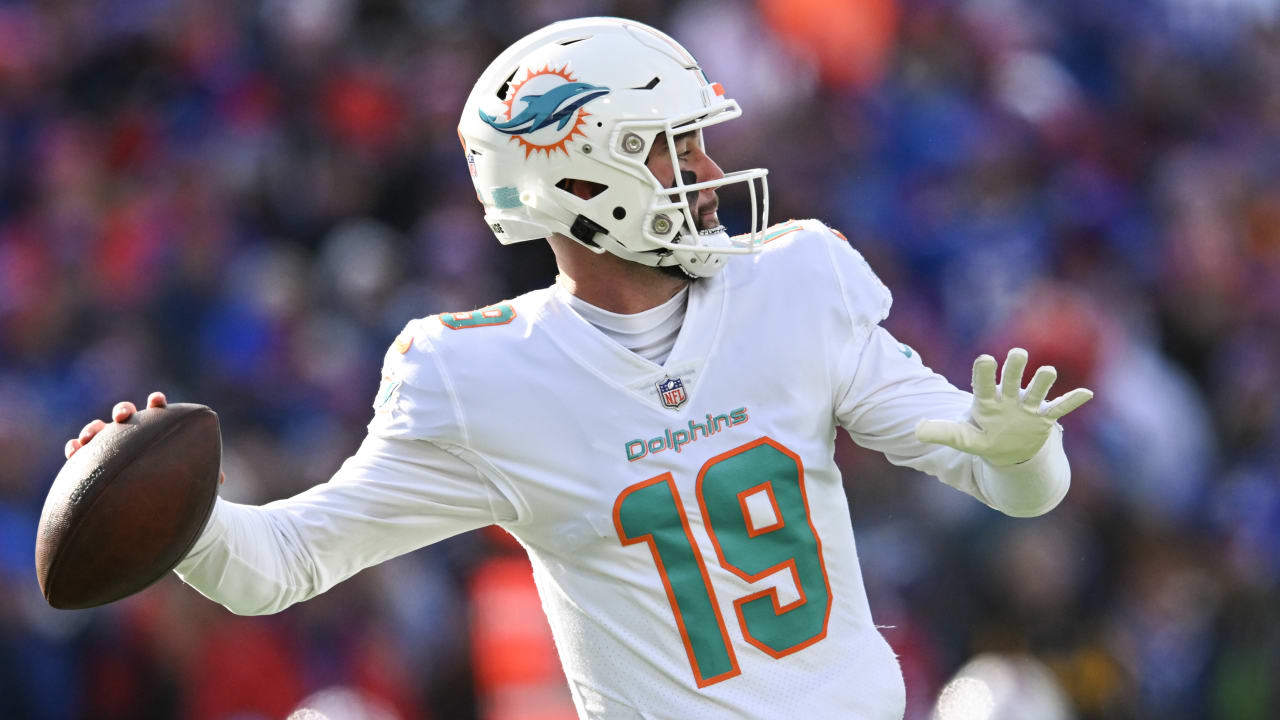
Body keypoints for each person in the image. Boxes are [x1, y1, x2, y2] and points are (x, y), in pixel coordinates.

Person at [66, 17, 1093, 719]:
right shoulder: (478, 377)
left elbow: (1014, 490)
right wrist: (175, 518)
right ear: (575, 172)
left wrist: (1019, 451)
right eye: (664, 148)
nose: (698, 172)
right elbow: (282, 565)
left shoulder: (795, 280)